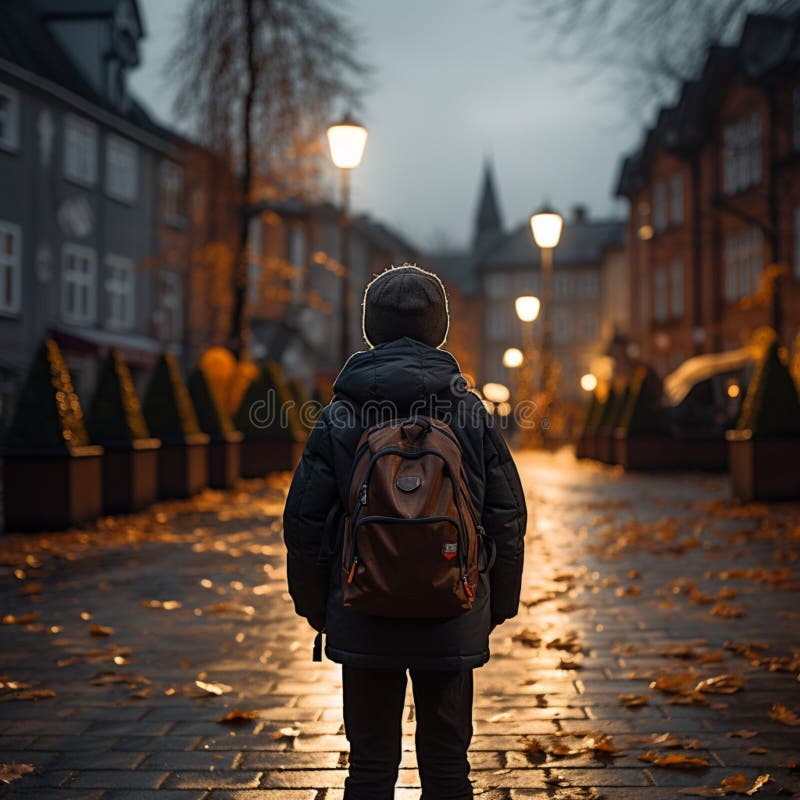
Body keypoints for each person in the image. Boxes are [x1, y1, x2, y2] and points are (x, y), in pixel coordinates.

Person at [283, 263, 526, 800]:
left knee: (369, 769)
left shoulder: (341, 414)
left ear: (371, 326)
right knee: (448, 767)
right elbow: (506, 515)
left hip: (363, 608)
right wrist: (495, 604)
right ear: (439, 327)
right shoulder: (469, 412)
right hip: (453, 606)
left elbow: (303, 522)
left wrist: (319, 607)